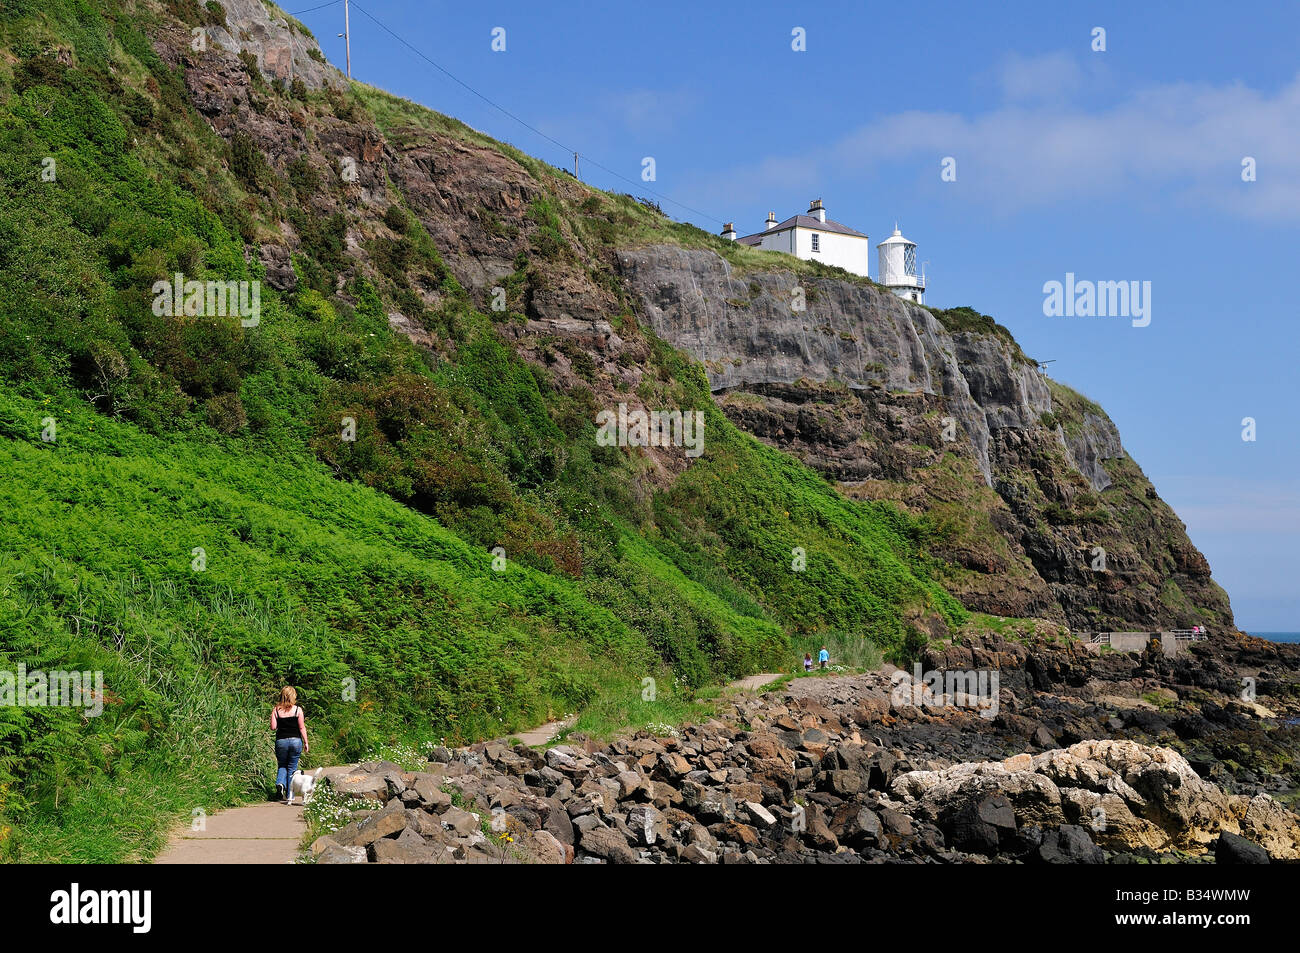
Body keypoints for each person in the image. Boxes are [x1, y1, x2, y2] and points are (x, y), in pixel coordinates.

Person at [271, 687, 308, 802]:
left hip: (281, 741)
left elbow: (273, 727)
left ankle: (280, 784)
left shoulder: (276, 710)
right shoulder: (298, 710)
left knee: (282, 765)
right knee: (292, 767)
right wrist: (306, 742)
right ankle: (289, 796)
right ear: (293, 696)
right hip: (295, 741)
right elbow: (301, 727)